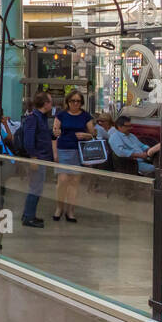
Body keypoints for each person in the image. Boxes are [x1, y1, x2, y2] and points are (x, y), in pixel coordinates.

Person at [51, 88, 94, 222]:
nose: (75, 103)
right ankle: (59, 207)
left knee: (74, 183)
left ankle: (70, 210)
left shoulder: (86, 116)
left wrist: (86, 135)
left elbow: (93, 134)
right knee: (62, 181)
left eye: (78, 101)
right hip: (64, 149)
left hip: (79, 151)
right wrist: (55, 153)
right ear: (68, 102)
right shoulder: (61, 115)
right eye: (73, 101)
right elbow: (54, 133)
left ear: (81, 103)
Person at [19, 91, 56, 227]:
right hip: (38, 158)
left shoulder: (41, 118)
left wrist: (53, 135)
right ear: (45, 104)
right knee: (35, 188)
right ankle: (28, 216)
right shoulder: (33, 118)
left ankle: (29, 214)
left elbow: (42, 136)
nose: (52, 105)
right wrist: (33, 157)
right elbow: (28, 141)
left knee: (37, 187)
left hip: (41, 158)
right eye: (51, 102)